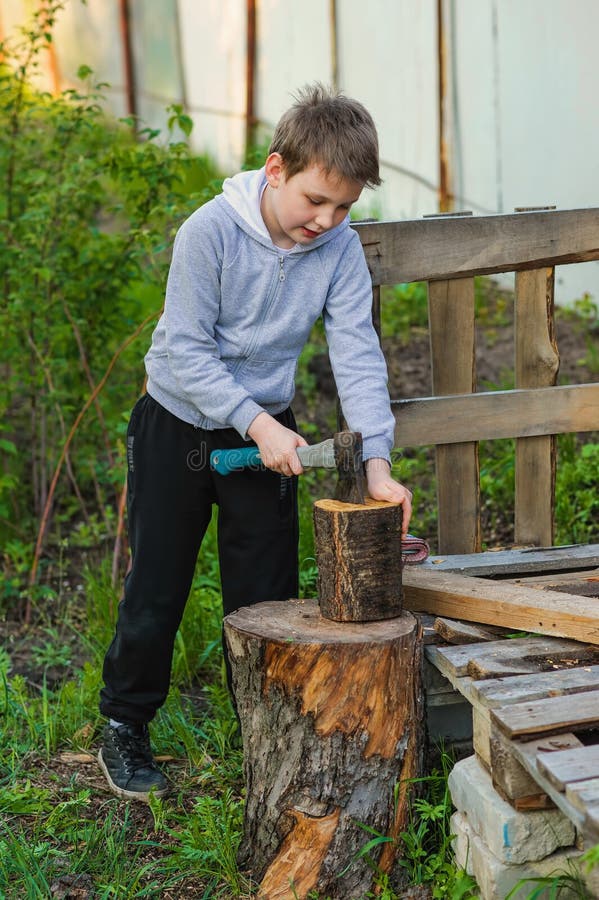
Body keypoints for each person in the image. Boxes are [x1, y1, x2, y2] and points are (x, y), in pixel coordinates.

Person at [97, 83, 413, 801]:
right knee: (158, 583)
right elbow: (185, 351)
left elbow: (357, 354)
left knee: (265, 593)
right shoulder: (206, 232)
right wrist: (259, 423)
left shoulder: (337, 249)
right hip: (177, 426)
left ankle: (266, 730)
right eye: (314, 201)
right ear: (275, 170)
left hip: (265, 436)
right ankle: (124, 722)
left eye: (344, 207)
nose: (327, 220)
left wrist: (377, 466)